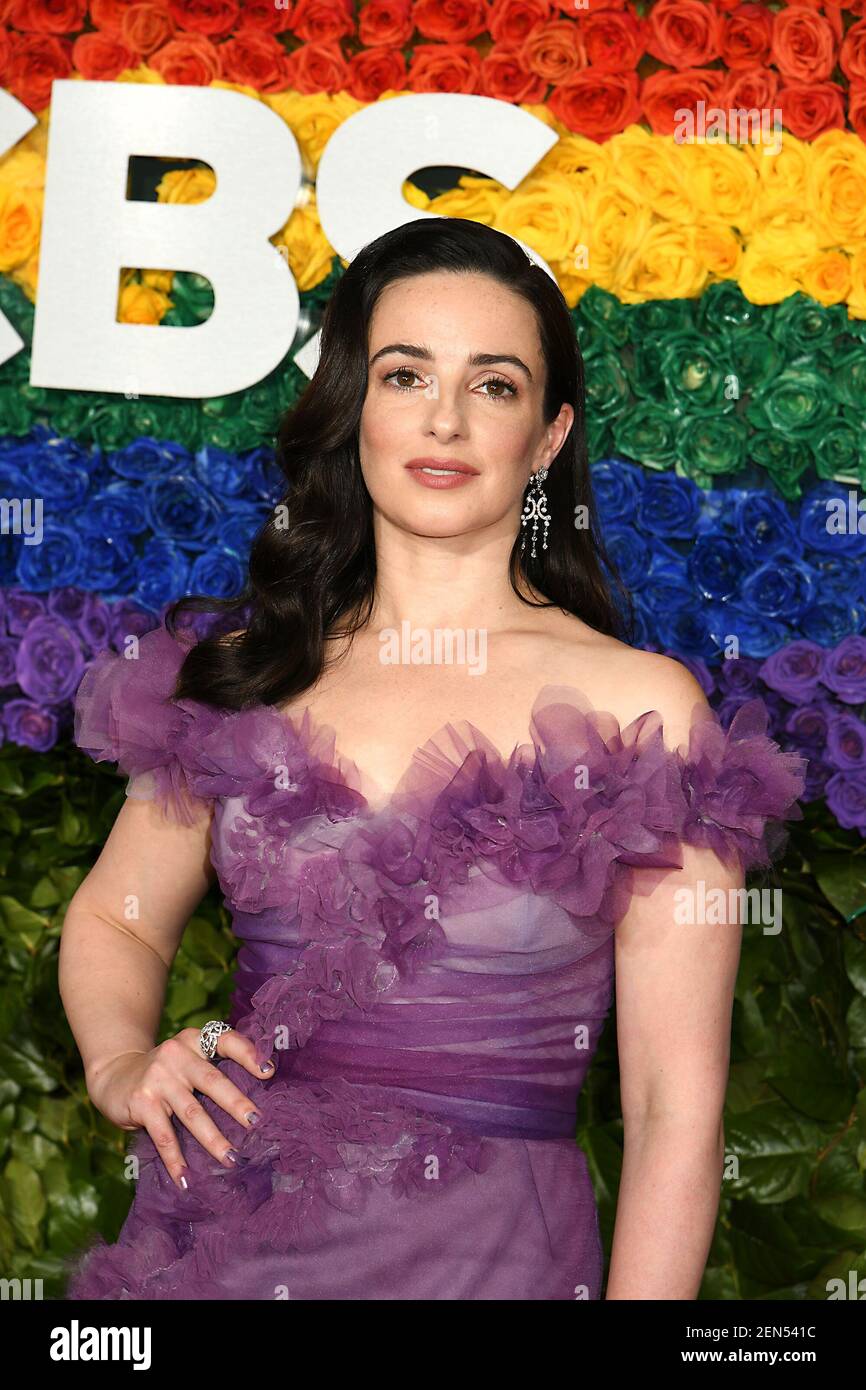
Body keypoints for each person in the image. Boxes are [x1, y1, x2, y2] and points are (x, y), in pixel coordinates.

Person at [59, 217, 805, 1301]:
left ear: (546, 439)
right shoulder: (250, 670)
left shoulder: (642, 708)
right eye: (405, 373)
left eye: (493, 385)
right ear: (353, 403)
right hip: (217, 1250)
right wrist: (120, 1063)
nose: (445, 418)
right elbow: (119, 917)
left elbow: (669, 1109)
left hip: (494, 1263)